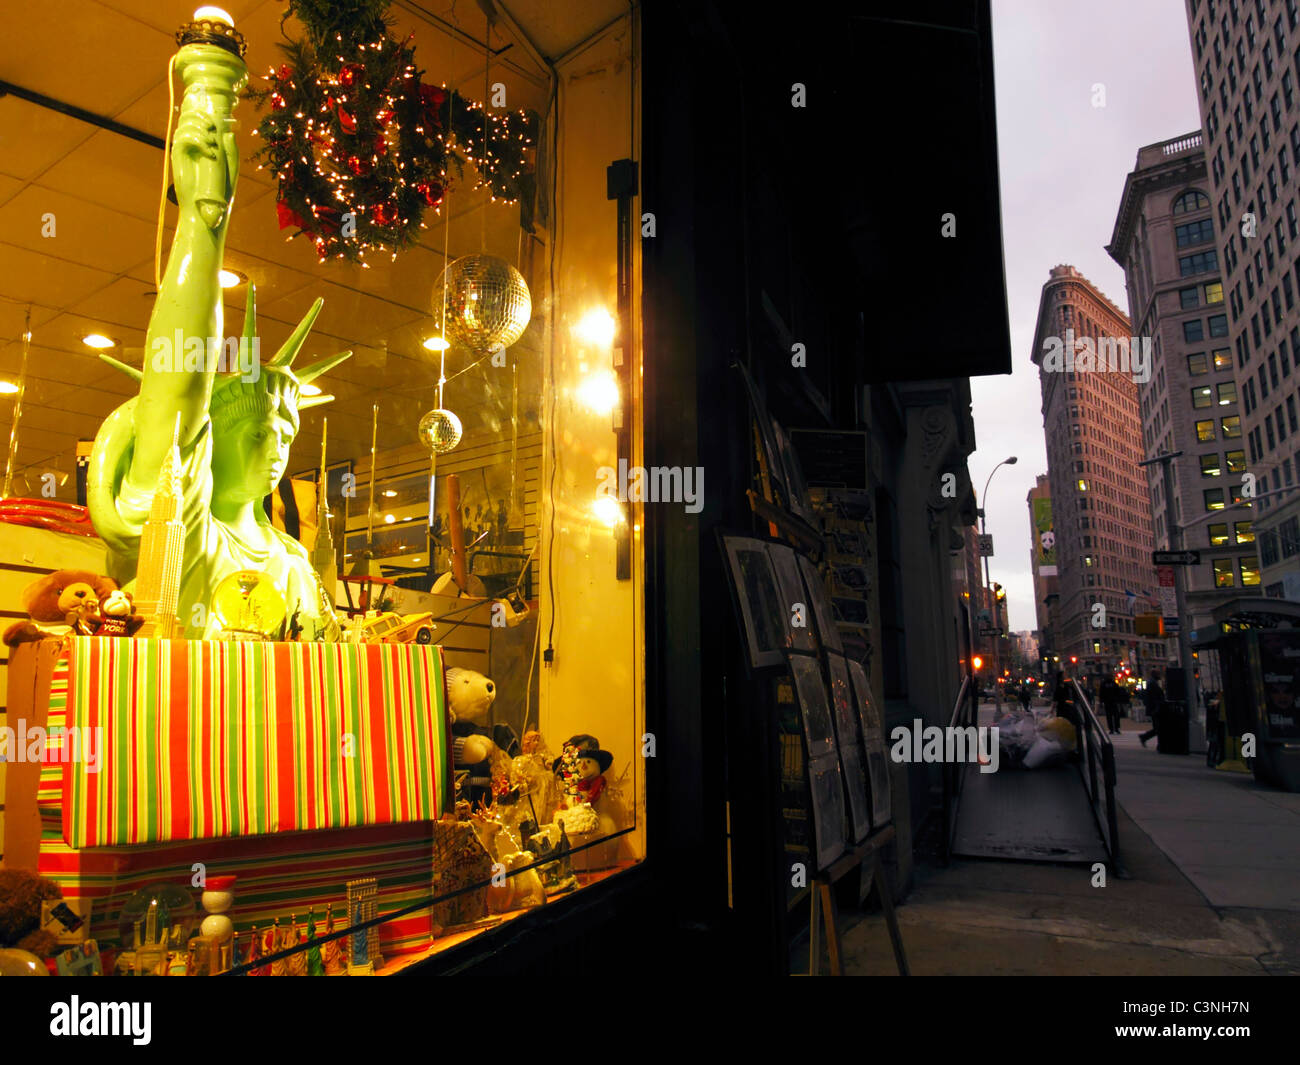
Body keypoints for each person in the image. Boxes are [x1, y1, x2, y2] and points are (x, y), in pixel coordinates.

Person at [87, 53, 350, 640]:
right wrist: (204, 224)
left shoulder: (296, 565)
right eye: (257, 432)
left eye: (283, 434)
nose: (276, 449)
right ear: (210, 442)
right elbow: (179, 383)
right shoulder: (183, 529)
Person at [1139, 677, 1165, 747]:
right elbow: (1156, 697)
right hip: (1155, 708)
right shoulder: (1153, 684)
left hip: (1153, 708)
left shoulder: (1151, 683)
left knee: (1157, 727)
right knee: (1158, 727)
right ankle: (1145, 737)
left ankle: (1145, 737)